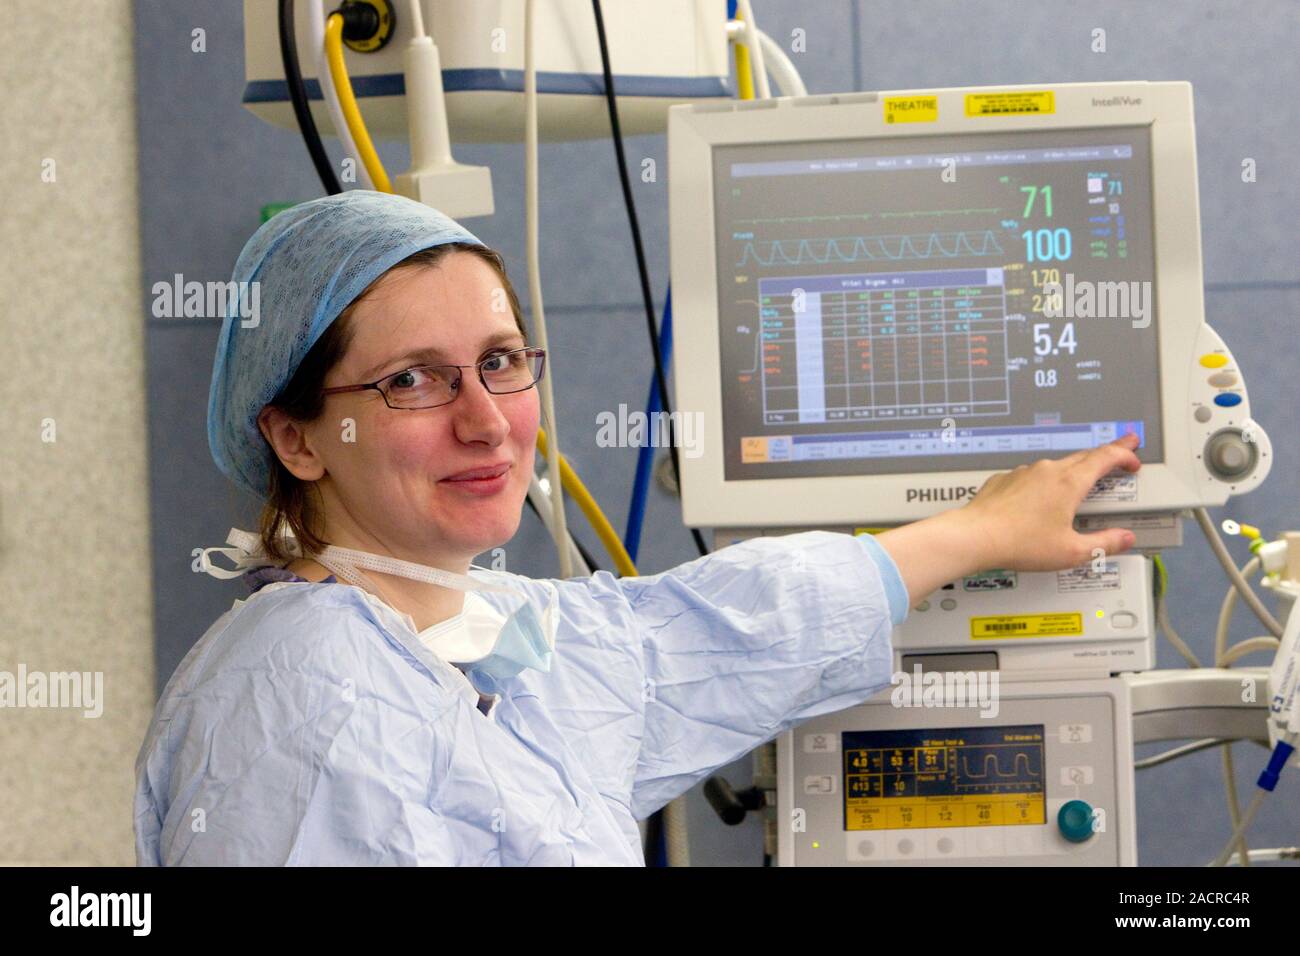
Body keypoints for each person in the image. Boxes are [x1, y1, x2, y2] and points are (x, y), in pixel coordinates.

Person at [134, 190, 1142, 865]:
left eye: (500, 359)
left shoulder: (487, 635)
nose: (485, 418)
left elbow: (708, 633)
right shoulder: (301, 699)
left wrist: (979, 530)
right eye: (411, 379)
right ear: (296, 438)